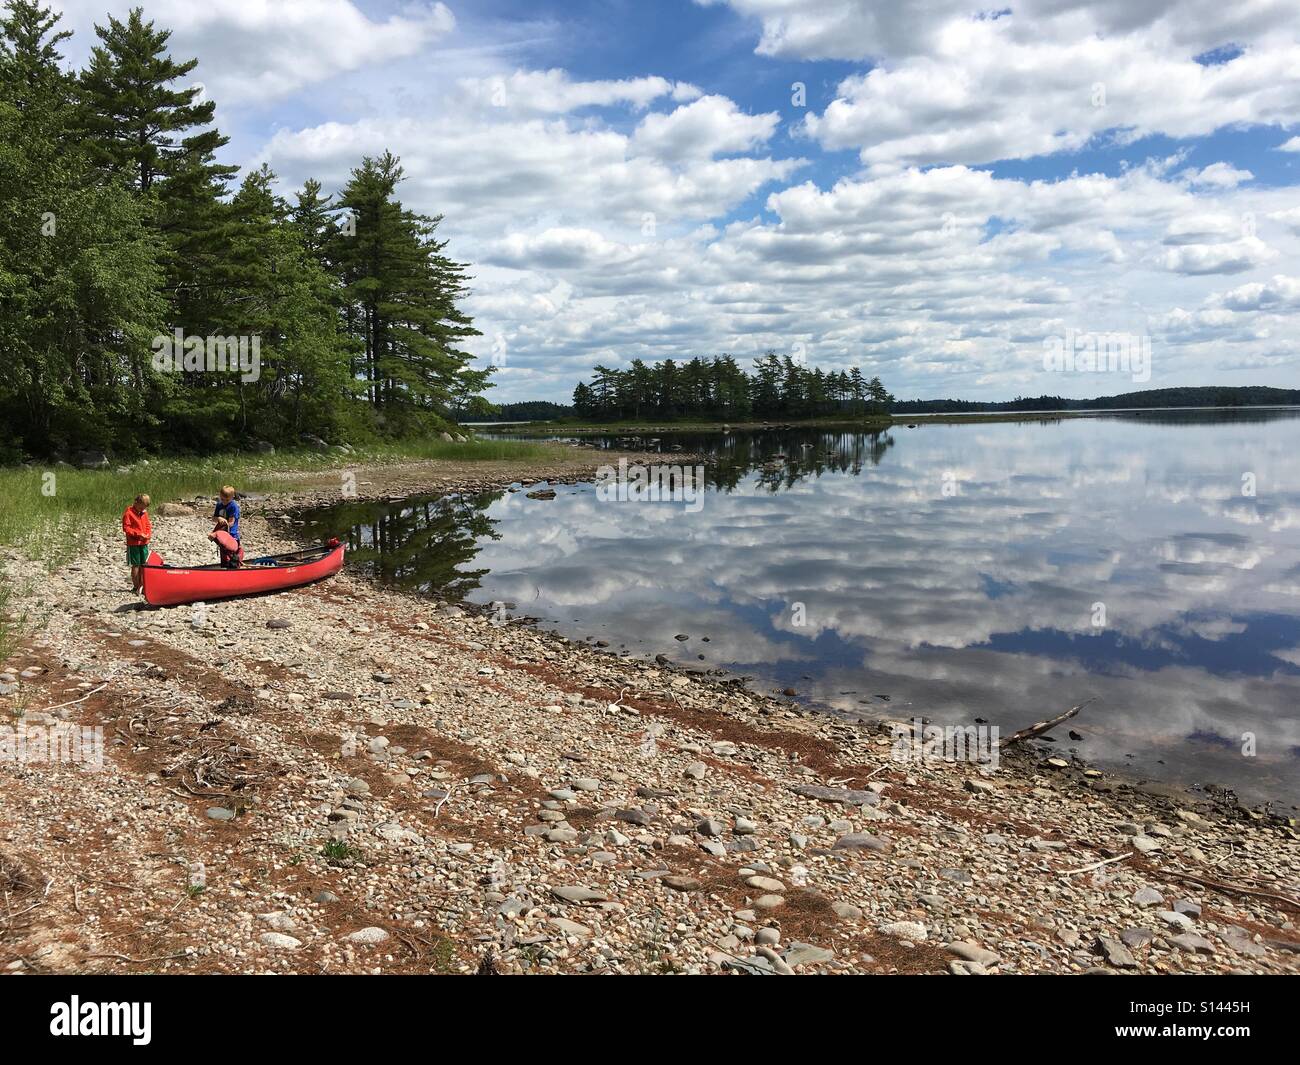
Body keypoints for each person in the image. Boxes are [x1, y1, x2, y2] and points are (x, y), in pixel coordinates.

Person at [122, 493, 152, 594]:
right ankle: (136, 586)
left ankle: (143, 585)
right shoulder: (129, 512)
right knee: (136, 565)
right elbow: (126, 528)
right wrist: (138, 534)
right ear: (136, 503)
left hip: (143, 542)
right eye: (140, 507)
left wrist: (147, 534)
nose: (141, 510)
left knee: (144, 564)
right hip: (134, 543)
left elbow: (148, 524)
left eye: (143, 508)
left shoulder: (144, 513)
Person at [209, 485, 243, 568]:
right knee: (224, 555)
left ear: (232, 497)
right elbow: (213, 518)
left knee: (233, 555)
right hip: (222, 534)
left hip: (232, 534)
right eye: (222, 499)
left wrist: (218, 531)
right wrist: (219, 518)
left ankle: (236, 566)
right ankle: (225, 568)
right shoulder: (219, 505)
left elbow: (231, 523)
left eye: (227, 500)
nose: (224, 501)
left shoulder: (233, 506)